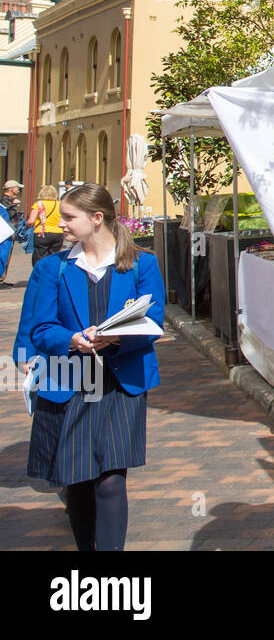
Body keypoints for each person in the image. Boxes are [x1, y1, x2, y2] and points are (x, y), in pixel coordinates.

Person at [19, 182, 164, 551]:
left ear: (97, 219)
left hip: (120, 382)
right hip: (70, 379)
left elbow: (154, 322)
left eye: (69, 217)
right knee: (77, 480)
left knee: (111, 480)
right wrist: (71, 339)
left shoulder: (142, 265)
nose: (62, 224)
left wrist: (115, 338)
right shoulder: (53, 268)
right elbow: (41, 326)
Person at [28, 185, 63, 266]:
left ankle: (39, 275)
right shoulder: (59, 205)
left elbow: (31, 221)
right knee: (55, 256)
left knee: (39, 257)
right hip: (58, 233)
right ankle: (52, 275)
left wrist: (26, 226)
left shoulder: (38, 204)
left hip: (42, 233)